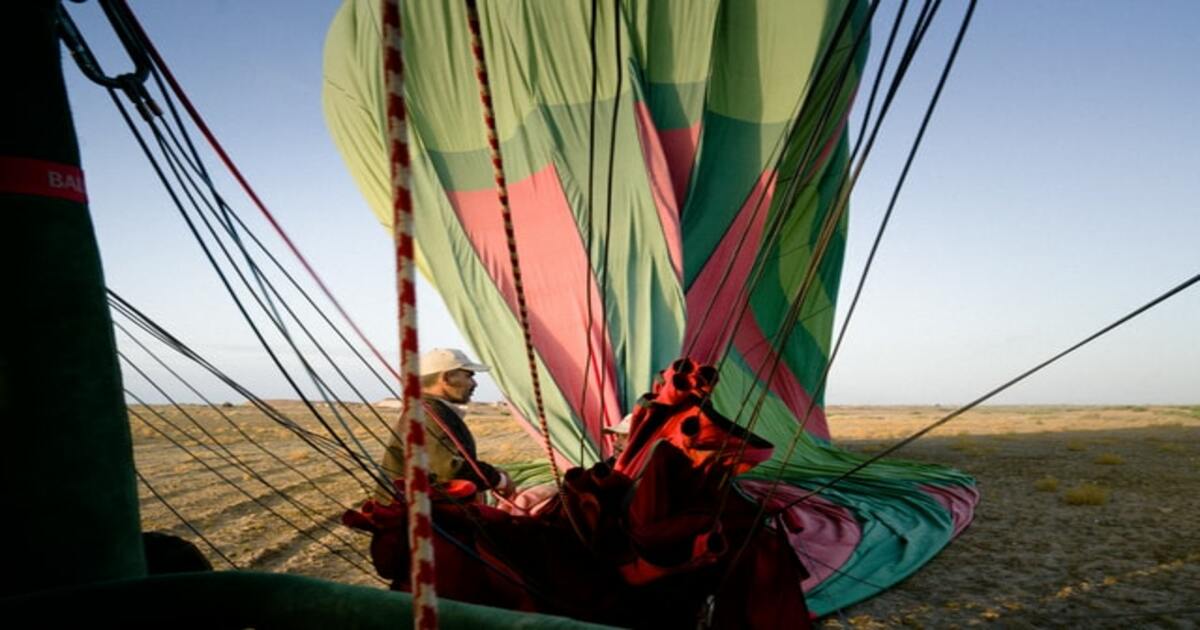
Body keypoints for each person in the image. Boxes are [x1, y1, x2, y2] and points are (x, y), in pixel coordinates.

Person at [377, 348, 511, 502]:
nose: (474, 383)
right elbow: (451, 469)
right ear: (447, 378)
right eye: (468, 376)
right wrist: (500, 480)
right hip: (411, 512)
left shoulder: (431, 410)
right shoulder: (427, 413)